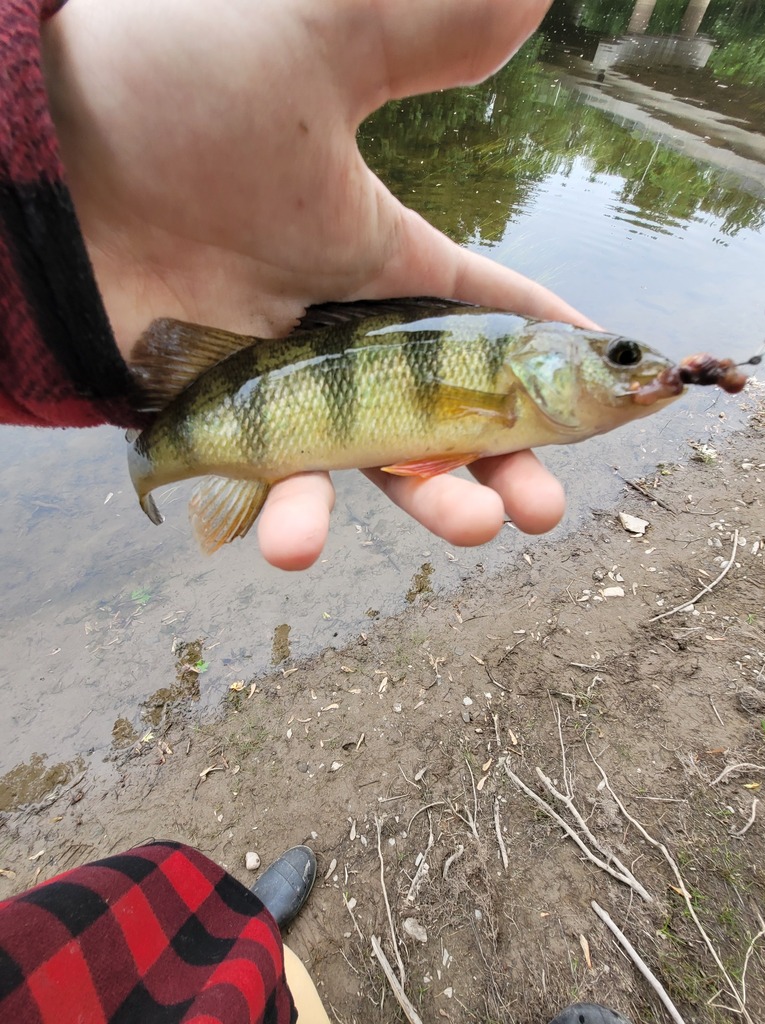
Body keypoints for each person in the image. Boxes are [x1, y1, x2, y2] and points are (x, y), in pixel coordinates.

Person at [0, 1, 633, 1021]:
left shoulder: (514, 368)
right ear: (546, 365)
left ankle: (238, 931)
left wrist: (54, 161)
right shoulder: (509, 365)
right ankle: (240, 941)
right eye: (616, 357)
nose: (628, 370)